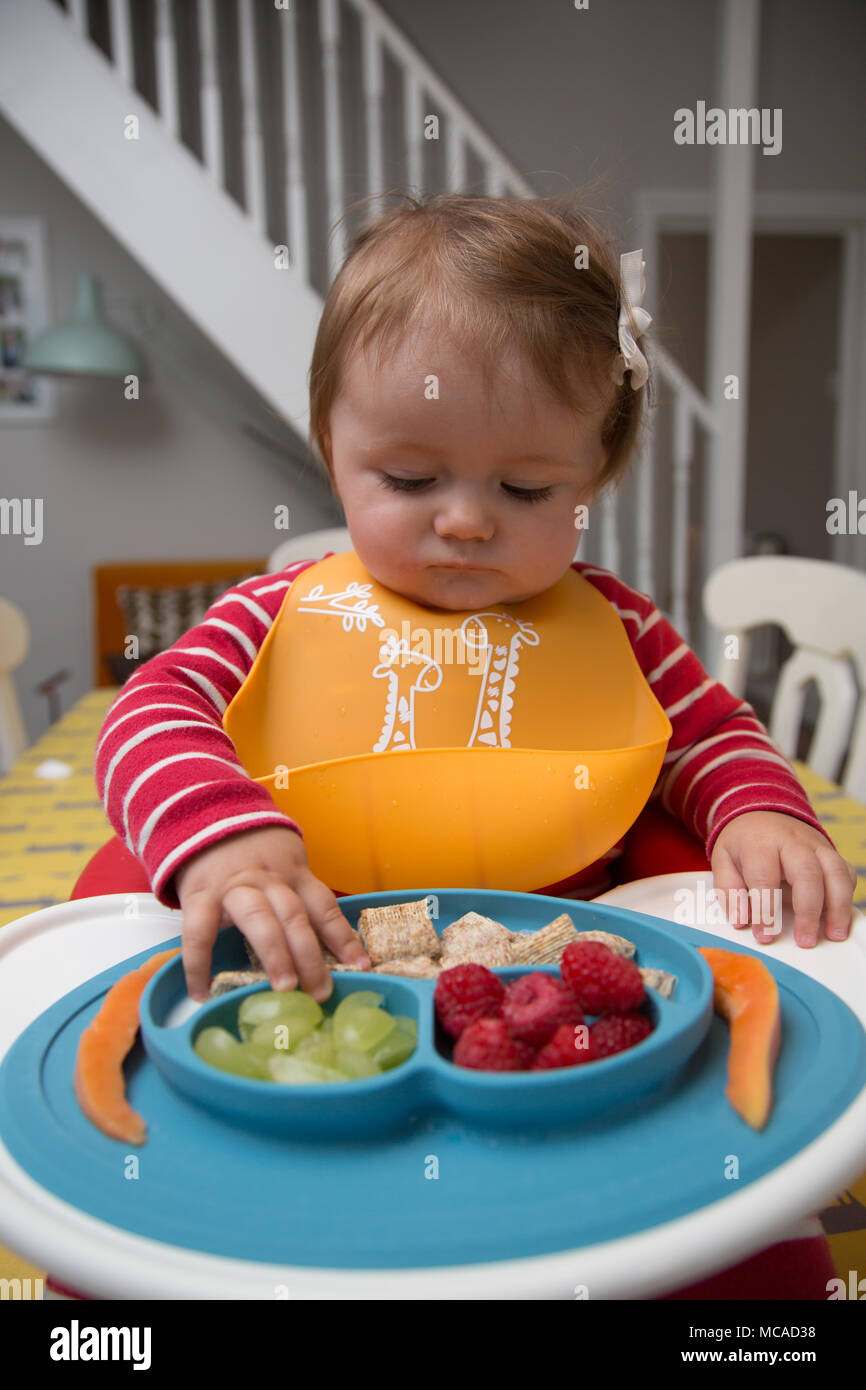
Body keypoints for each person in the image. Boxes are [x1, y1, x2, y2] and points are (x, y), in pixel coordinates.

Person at [94, 193, 857, 1005]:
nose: (463, 522)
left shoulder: (622, 626)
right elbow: (148, 712)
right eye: (410, 479)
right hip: (314, 955)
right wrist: (227, 838)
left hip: (559, 977)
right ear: (332, 452)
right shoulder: (270, 616)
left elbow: (710, 737)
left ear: (592, 479)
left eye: (526, 489)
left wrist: (761, 815)